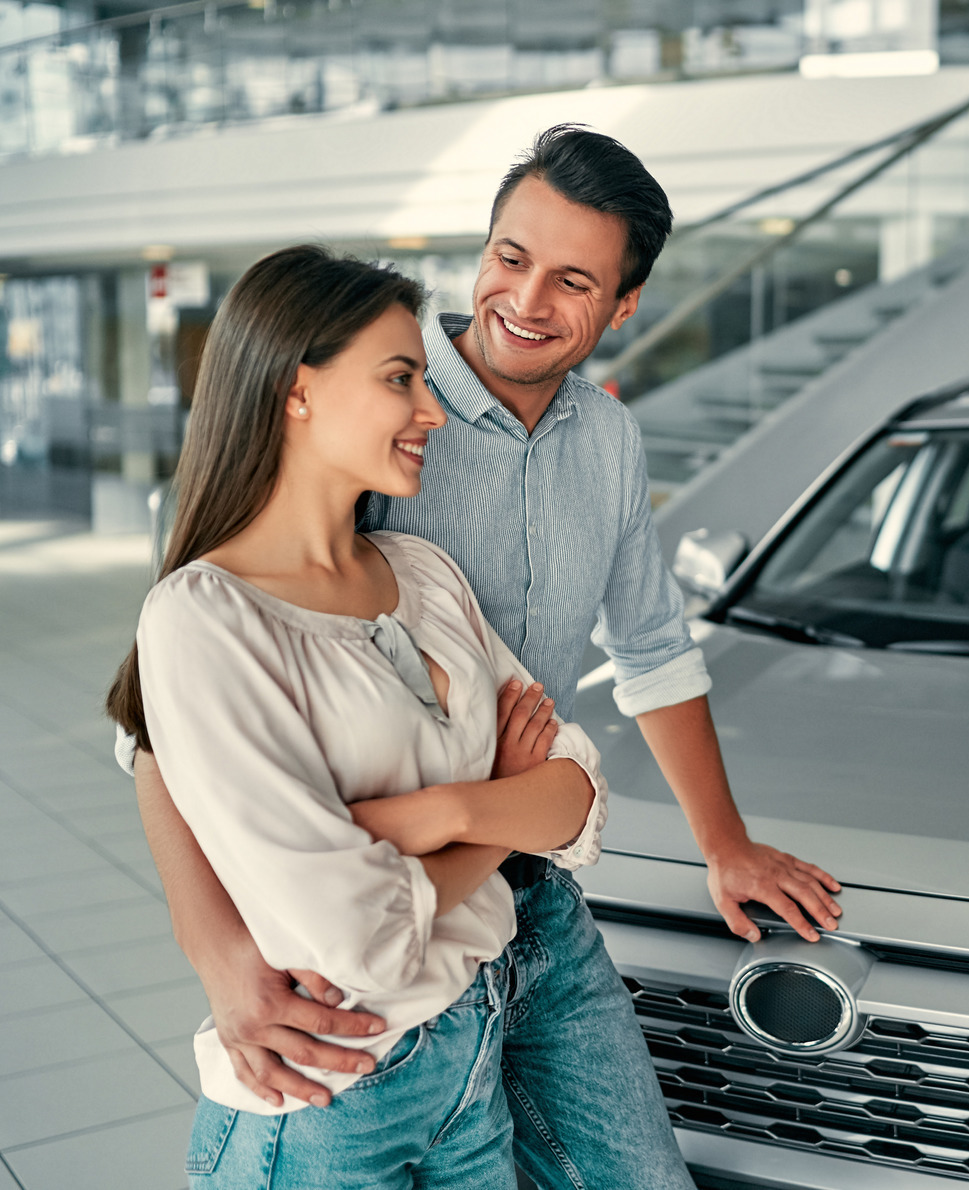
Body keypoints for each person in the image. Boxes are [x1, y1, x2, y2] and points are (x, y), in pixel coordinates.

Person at [123, 126, 841, 1187]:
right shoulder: (373, 415)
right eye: (510, 256)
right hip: (371, 912)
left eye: (573, 281)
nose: (526, 299)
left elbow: (648, 651)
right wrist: (219, 952)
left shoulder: (605, 440)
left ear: (624, 305)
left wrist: (721, 843)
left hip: (529, 885)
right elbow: (163, 726)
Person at [107, 247, 610, 1185]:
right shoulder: (205, 617)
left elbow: (579, 797)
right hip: (327, 1099)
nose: (432, 411)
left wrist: (438, 815)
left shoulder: (425, 574)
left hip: (471, 1065)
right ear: (297, 391)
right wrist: (504, 808)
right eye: (399, 378)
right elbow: (362, 941)